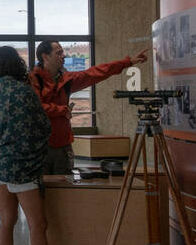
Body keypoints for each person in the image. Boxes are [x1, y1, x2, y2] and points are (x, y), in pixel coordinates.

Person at [0, 46, 79, 245]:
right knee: (38, 223)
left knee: (7, 219)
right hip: (22, 166)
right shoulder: (24, 91)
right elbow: (41, 126)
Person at [28, 41, 148, 177]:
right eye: (58, 53)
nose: (64, 56)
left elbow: (96, 73)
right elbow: (36, 108)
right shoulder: (32, 79)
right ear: (45, 56)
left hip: (62, 144)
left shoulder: (66, 80)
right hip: (40, 145)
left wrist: (128, 62)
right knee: (39, 188)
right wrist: (62, 110)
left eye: (63, 52)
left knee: (64, 187)